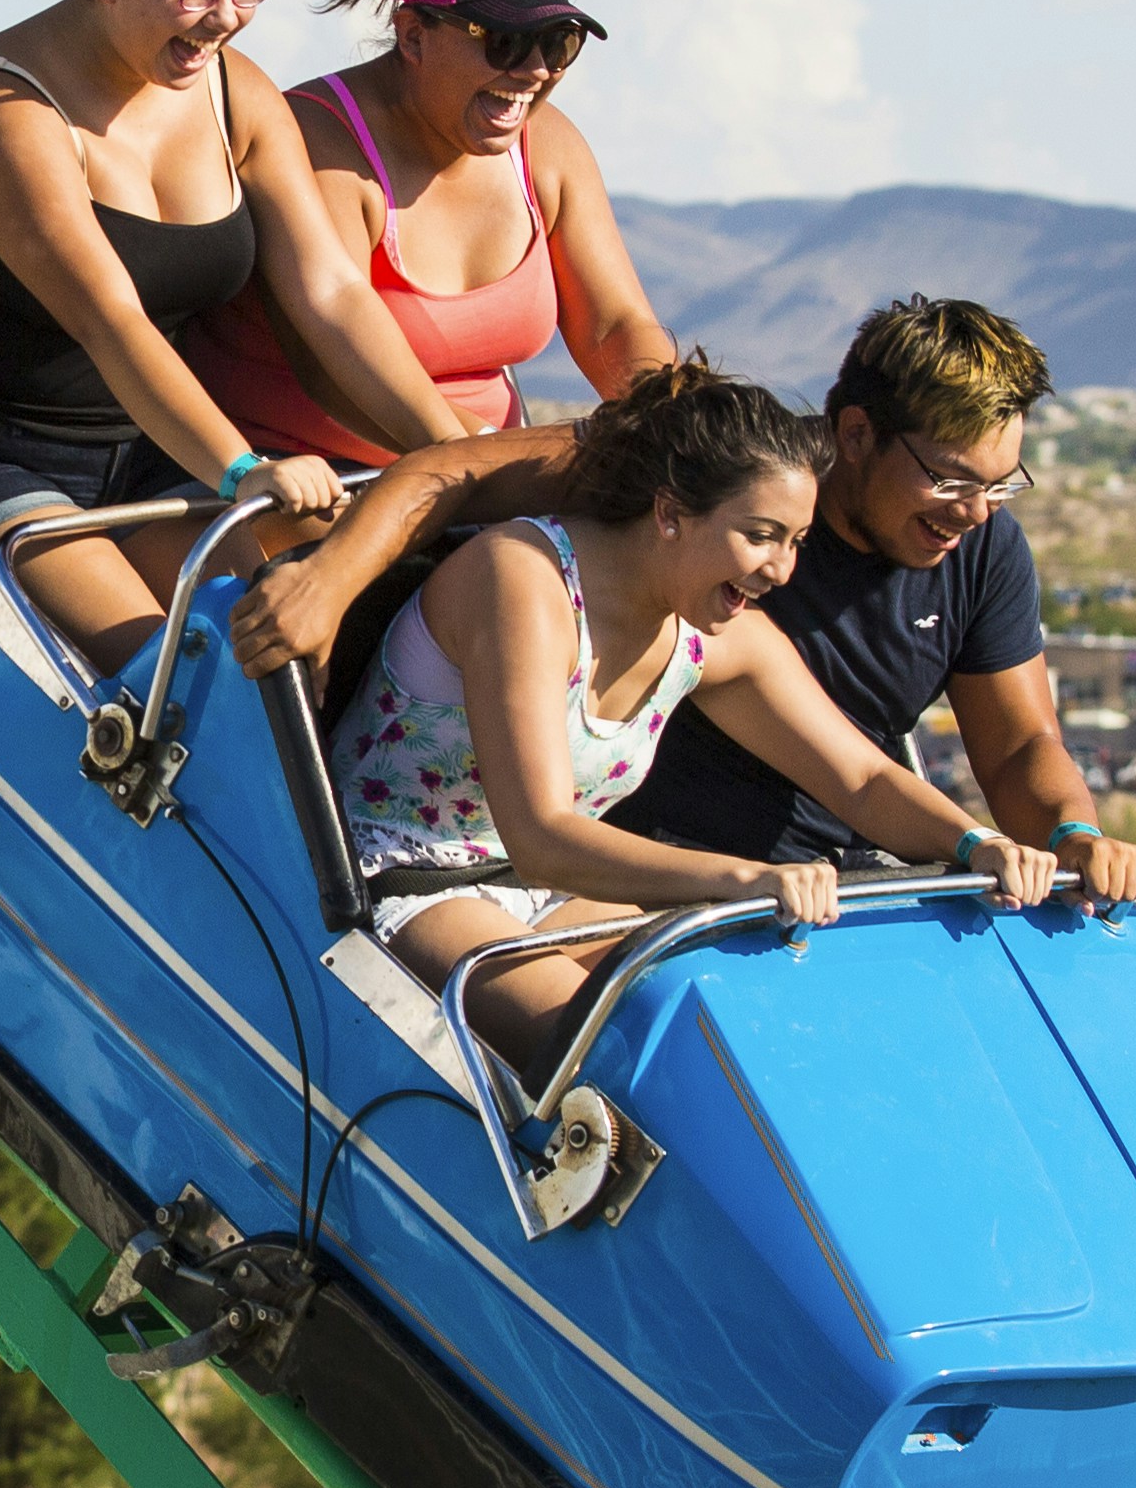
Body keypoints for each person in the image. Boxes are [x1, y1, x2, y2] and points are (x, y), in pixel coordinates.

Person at [239, 294, 1136, 909]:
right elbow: (454, 471)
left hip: (764, 883)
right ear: (855, 436)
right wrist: (331, 577)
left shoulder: (739, 622)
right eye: (952, 479)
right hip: (535, 862)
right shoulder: (710, 471)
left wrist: (995, 845)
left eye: (1001, 486)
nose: (975, 512)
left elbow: (896, 770)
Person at [327, 363, 1060, 1067]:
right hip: (408, 875)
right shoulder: (522, 578)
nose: (780, 570)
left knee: (738, 1030)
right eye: (762, 534)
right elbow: (544, 834)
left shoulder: (712, 632)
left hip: (536, 887)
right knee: (620, 1058)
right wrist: (742, 879)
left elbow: (863, 778)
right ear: (671, 513)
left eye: (796, 541)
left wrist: (975, 844)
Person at [0, 0, 478, 671]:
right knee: (163, 679)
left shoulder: (237, 93)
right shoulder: (5, 116)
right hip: (7, 461)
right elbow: (112, 321)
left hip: (152, 450)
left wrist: (456, 454)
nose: (226, 17)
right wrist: (243, 469)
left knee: (298, 638)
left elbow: (330, 296)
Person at [192, 0, 678, 466]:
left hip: (485, 476)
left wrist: (673, 427)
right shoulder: (319, 141)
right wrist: (510, 464)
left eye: (557, 42)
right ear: (413, 36)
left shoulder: (548, 145)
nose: (535, 69)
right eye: (504, 41)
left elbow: (616, 326)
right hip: (312, 480)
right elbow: (334, 367)